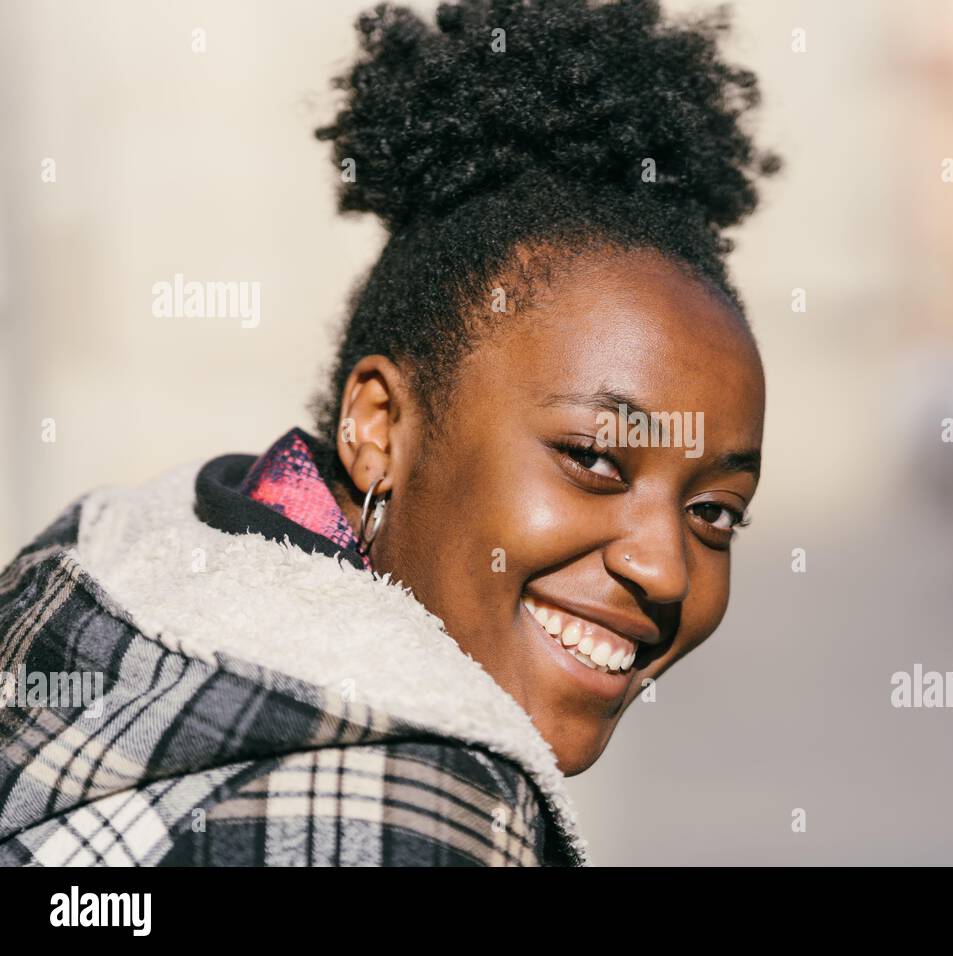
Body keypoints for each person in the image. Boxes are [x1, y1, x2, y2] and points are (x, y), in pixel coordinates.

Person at [0, 0, 778, 866]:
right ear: (379, 426)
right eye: (593, 458)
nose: (665, 568)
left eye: (715, 512)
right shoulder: (414, 820)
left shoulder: (123, 562)